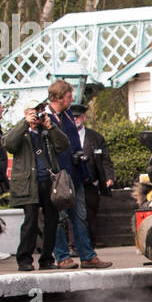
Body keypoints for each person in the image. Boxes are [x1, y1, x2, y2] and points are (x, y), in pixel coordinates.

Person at [46, 79, 111, 270]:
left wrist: (84, 173)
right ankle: (62, 256)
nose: (71, 99)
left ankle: (87, 255)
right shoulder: (47, 116)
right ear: (58, 97)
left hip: (74, 173)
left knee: (80, 216)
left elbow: (75, 147)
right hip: (57, 175)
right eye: (68, 96)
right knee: (59, 218)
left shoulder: (66, 115)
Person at [1, 98, 70, 271]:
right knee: (30, 222)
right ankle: (24, 260)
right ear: (26, 113)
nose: (39, 112)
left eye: (41, 109)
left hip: (49, 182)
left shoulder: (46, 130)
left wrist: (50, 127)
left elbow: (64, 145)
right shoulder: (20, 130)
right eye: (36, 109)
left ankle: (47, 259)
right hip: (28, 184)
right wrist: (25, 124)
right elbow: (9, 144)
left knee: (52, 221)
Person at [69, 102, 116, 248]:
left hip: (90, 183)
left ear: (83, 117)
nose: (75, 119)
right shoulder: (64, 136)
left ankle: (88, 244)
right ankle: (75, 246)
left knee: (90, 215)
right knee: (73, 215)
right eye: (73, 117)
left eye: (78, 116)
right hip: (71, 182)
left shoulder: (95, 137)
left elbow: (105, 159)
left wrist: (109, 177)